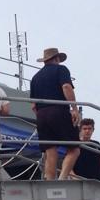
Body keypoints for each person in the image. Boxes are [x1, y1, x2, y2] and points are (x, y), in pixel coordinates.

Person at [30, 48, 80, 180]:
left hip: (41, 115)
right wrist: (74, 109)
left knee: (50, 150)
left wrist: (41, 116)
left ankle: (49, 181)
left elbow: (33, 105)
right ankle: (62, 178)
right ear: (57, 58)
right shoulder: (61, 69)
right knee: (74, 148)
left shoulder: (35, 78)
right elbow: (66, 87)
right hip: (58, 111)